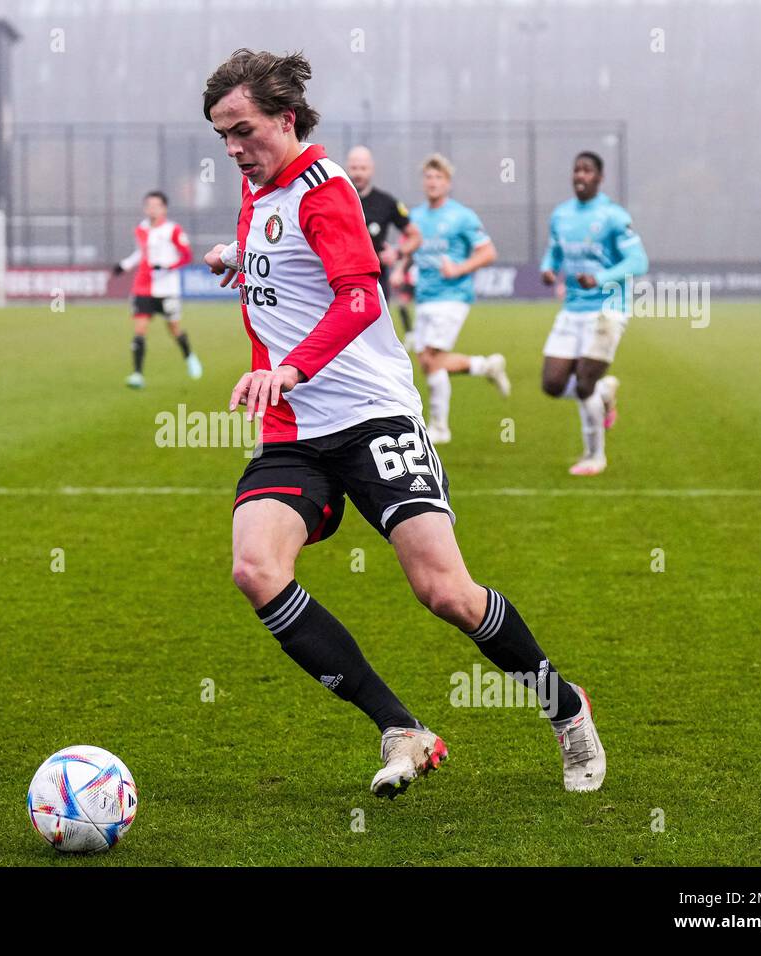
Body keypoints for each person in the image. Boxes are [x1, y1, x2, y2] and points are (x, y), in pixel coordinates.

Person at [202, 49, 605, 797]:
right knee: (255, 568)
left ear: (285, 120)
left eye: (242, 130)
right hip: (295, 430)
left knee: (446, 593)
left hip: (372, 416)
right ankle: (401, 727)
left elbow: (358, 296)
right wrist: (239, 257)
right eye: (220, 134)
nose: (231, 148)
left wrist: (290, 366)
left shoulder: (322, 188)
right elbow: (287, 267)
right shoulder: (257, 190)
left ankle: (566, 707)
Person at [539, 151, 649, 475]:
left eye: (587, 171)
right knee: (552, 384)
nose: (580, 176)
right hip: (571, 310)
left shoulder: (614, 216)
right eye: (576, 170)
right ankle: (604, 392)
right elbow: (554, 252)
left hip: (608, 309)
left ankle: (594, 456)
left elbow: (638, 261)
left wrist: (599, 279)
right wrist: (548, 269)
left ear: (599, 178)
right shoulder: (561, 215)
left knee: (584, 383)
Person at [394, 154, 509, 444]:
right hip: (426, 297)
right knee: (427, 361)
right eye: (428, 177)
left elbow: (488, 252)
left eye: (438, 178)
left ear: (448, 183)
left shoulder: (462, 217)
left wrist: (458, 268)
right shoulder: (415, 217)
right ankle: (485, 366)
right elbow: (409, 250)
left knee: (432, 358)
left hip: (453, 296)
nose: (432, 182)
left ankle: (440, 427)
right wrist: (400, 269)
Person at [111, 191, 199, 388]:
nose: (152, 208)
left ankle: (190, 357)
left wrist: (167, 267)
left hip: (167, 289)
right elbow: (140, 253)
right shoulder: (141, 229)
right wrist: (124, 265)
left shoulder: (173, 230)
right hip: (142, 287)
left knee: (174, 330)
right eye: (149, 205)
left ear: (164, 208)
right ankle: (137, 375)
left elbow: (186, 256)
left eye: (156, 205)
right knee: (140, 330)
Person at [344, 146, 418, 336]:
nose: (358, 173)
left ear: (371, 169)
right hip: (339, 277)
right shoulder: (336, 197)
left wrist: (397, 253)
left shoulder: (386, 202)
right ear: (347, 168)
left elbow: (415, 237)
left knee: (375, 334)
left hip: (375, 280)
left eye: (363, 168)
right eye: (354, 168)